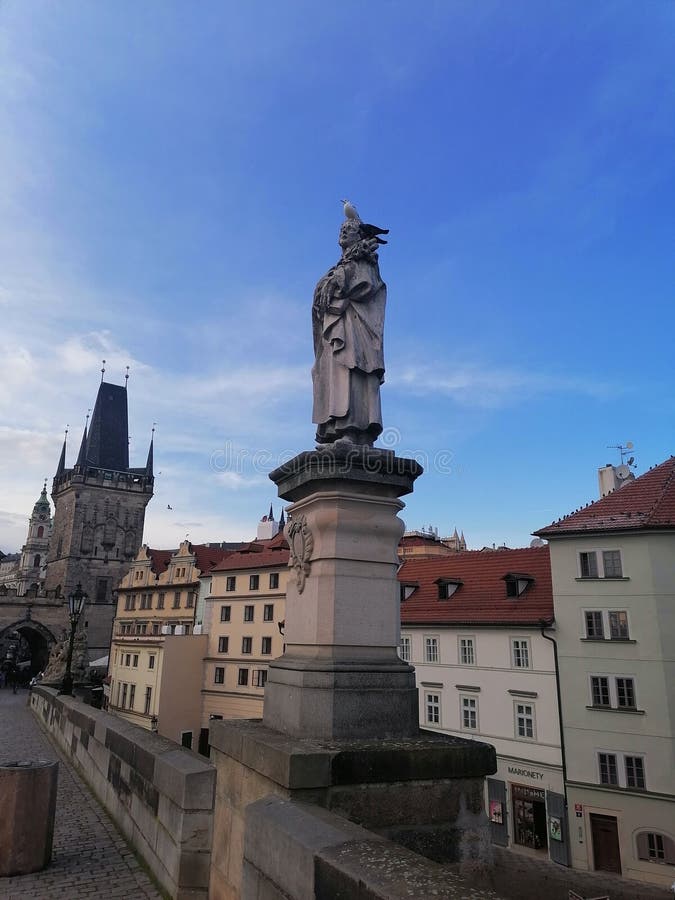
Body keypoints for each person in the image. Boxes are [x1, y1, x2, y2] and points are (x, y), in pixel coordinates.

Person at [311, 218, 386, 446]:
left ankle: (353, 431)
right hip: (335, 331)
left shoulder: (365, 261)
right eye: (341, 229)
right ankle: (333, 429)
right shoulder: (338, 266)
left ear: (359, 235)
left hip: (354, 330)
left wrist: (337, 283)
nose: (344, 231)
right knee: (334, 377)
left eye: (350, 229)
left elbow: (364, 285)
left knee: (353, 373)